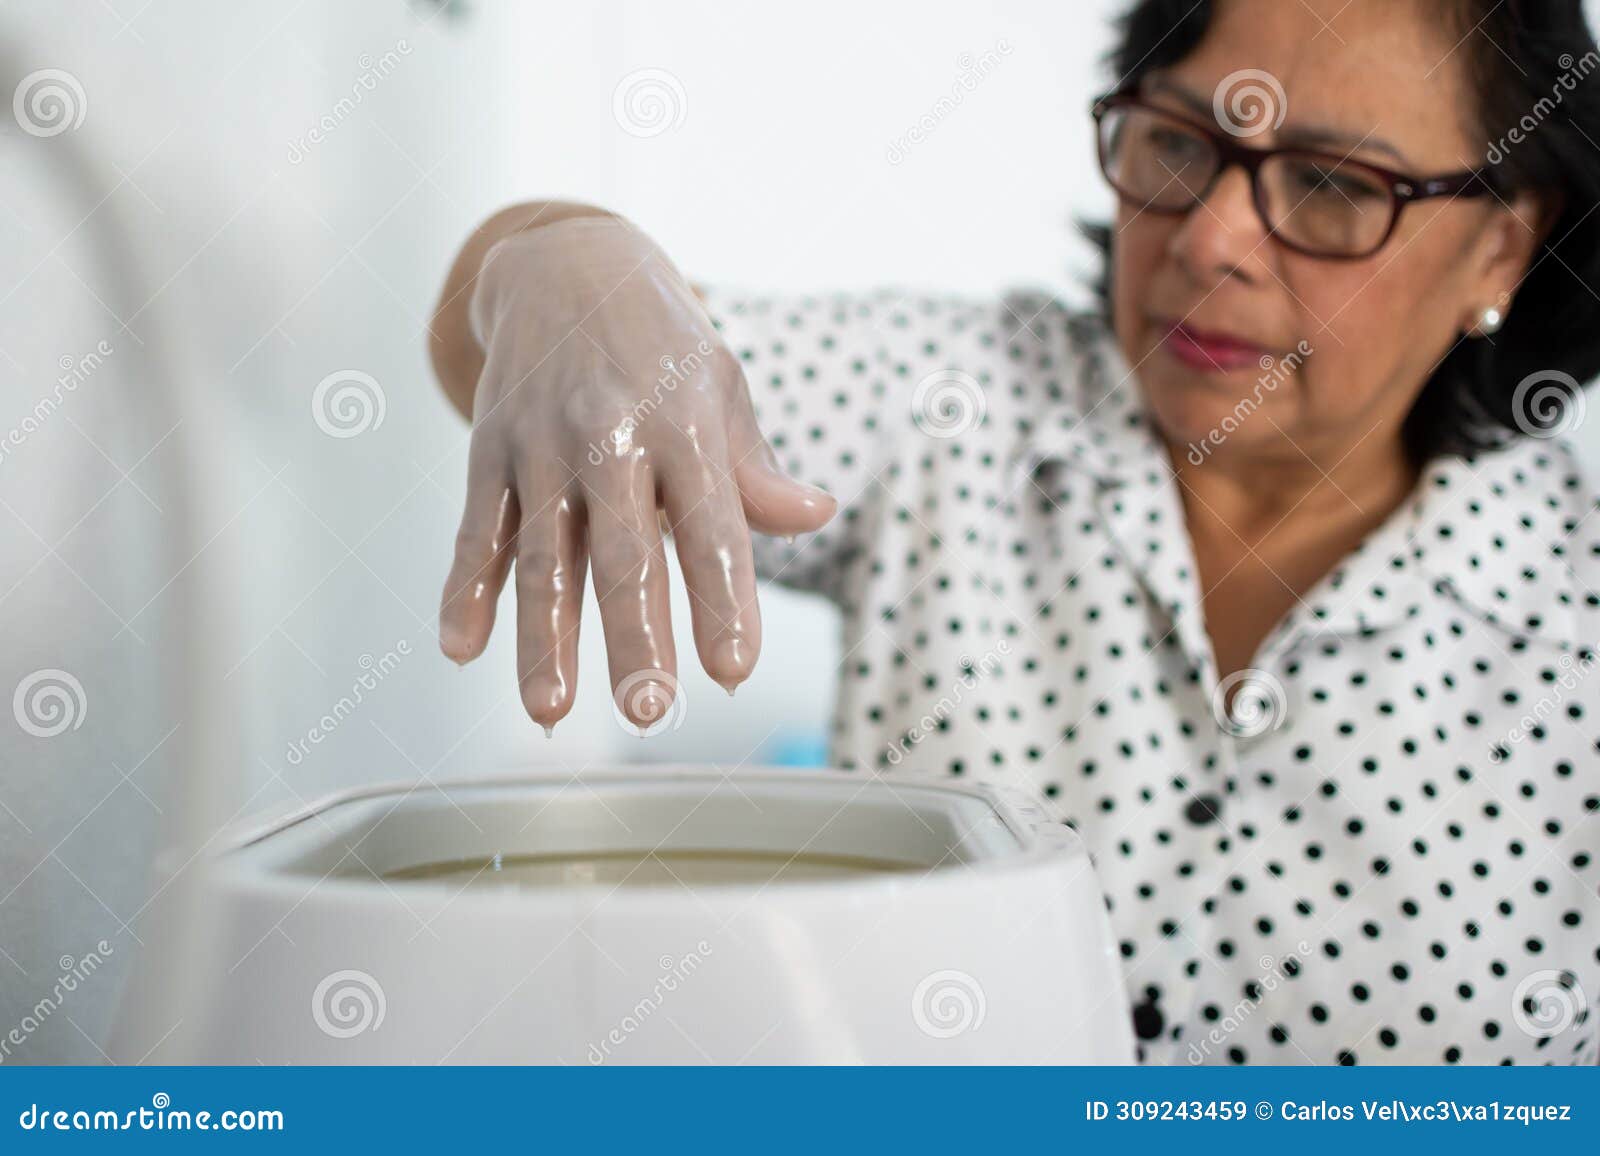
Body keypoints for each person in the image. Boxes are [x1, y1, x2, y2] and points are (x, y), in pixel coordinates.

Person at [428, 0, 1600, 1064]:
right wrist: (554, 268)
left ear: (1502, 244)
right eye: (1179, 144)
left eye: (1335, 185)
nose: (1210, 243)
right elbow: (524, 352)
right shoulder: (958, 403)